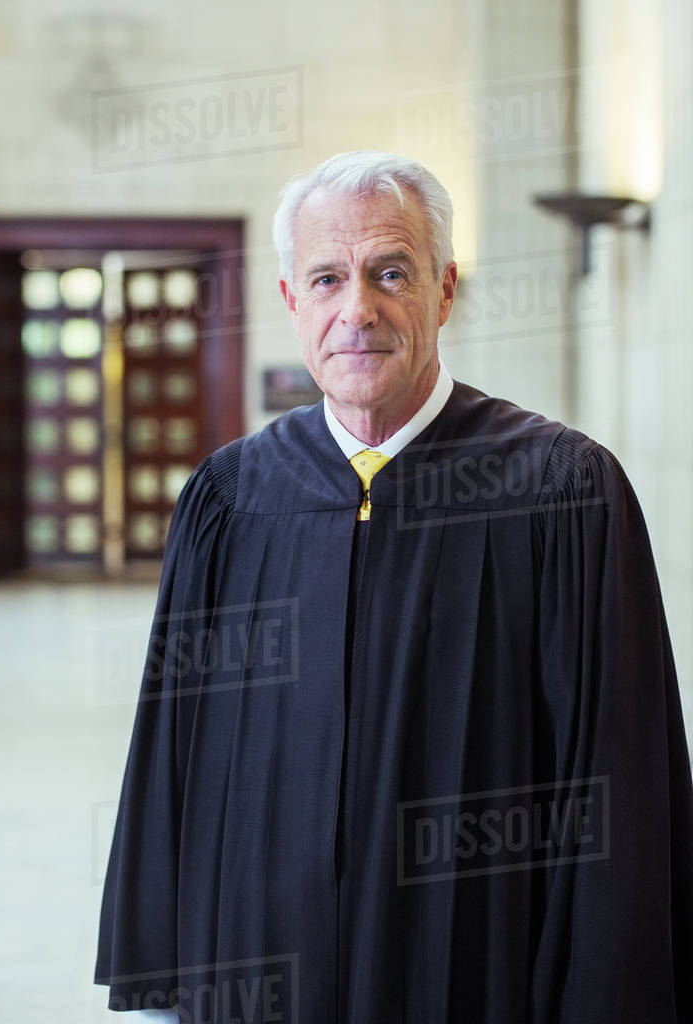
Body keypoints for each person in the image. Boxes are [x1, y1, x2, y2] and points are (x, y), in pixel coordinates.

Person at [95, 152, 693, 1022]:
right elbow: (171, 755)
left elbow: (619, 774)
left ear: (445, 291)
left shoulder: (563, 491)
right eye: (328, 278)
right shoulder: (230, 498)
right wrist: (162, 983)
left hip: (477, 969)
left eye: (390, 273)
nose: (357, 310)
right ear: (292, 300)